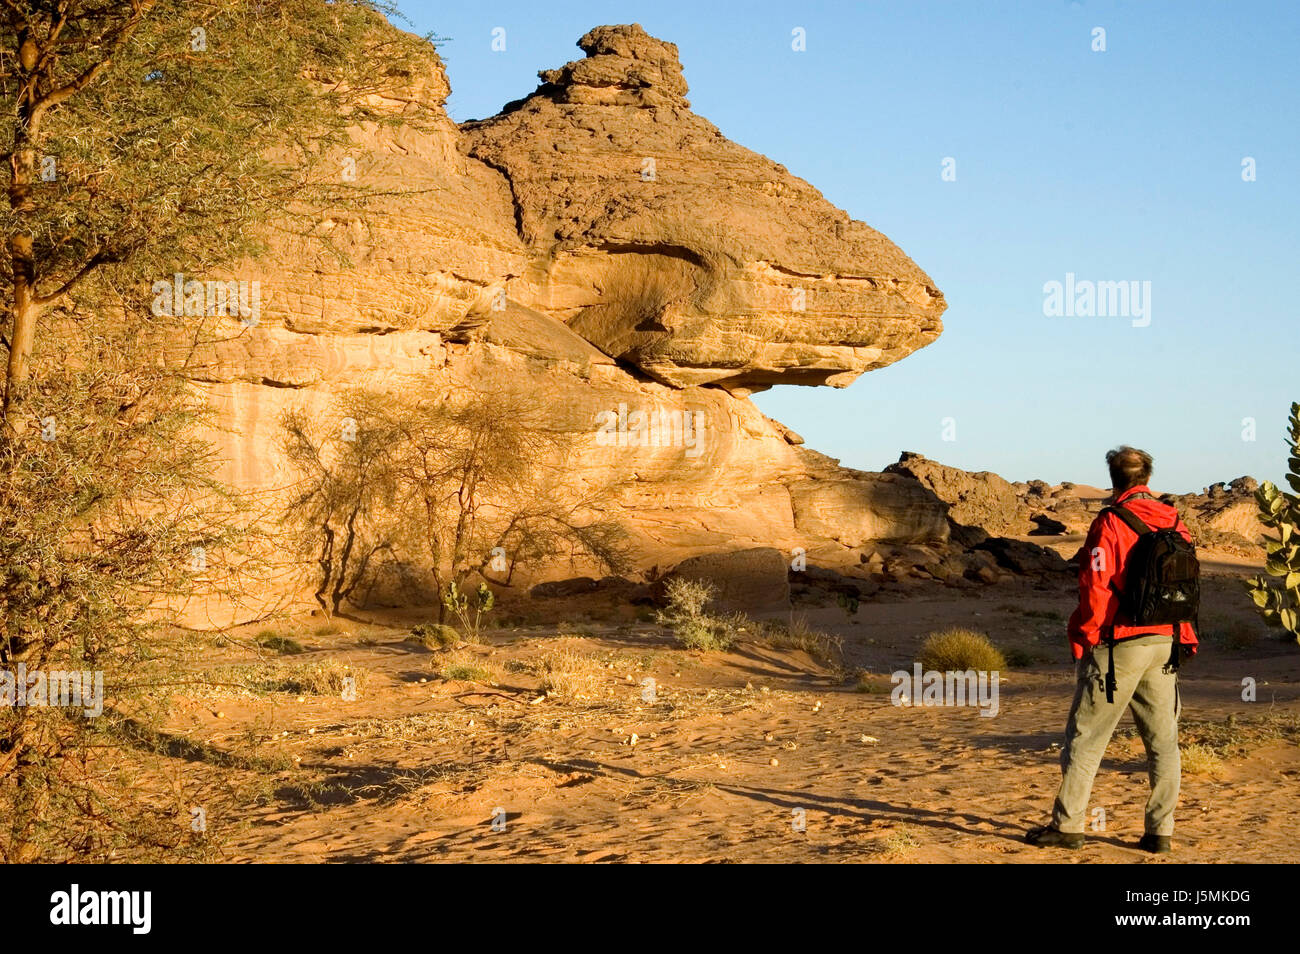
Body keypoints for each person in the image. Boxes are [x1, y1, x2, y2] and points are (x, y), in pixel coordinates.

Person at [1026, 446, 1198, 853]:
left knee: (1086, 738)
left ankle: (1068, 827)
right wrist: (1185, 635)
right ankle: (1160, 833)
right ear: (1148, 476)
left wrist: (1085, 635)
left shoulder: (1110, 522)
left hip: (1119, 643)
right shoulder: (1175, 520)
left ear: (1113, 477)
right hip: (1166, 641)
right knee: (1163, 742)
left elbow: (1096, 586)